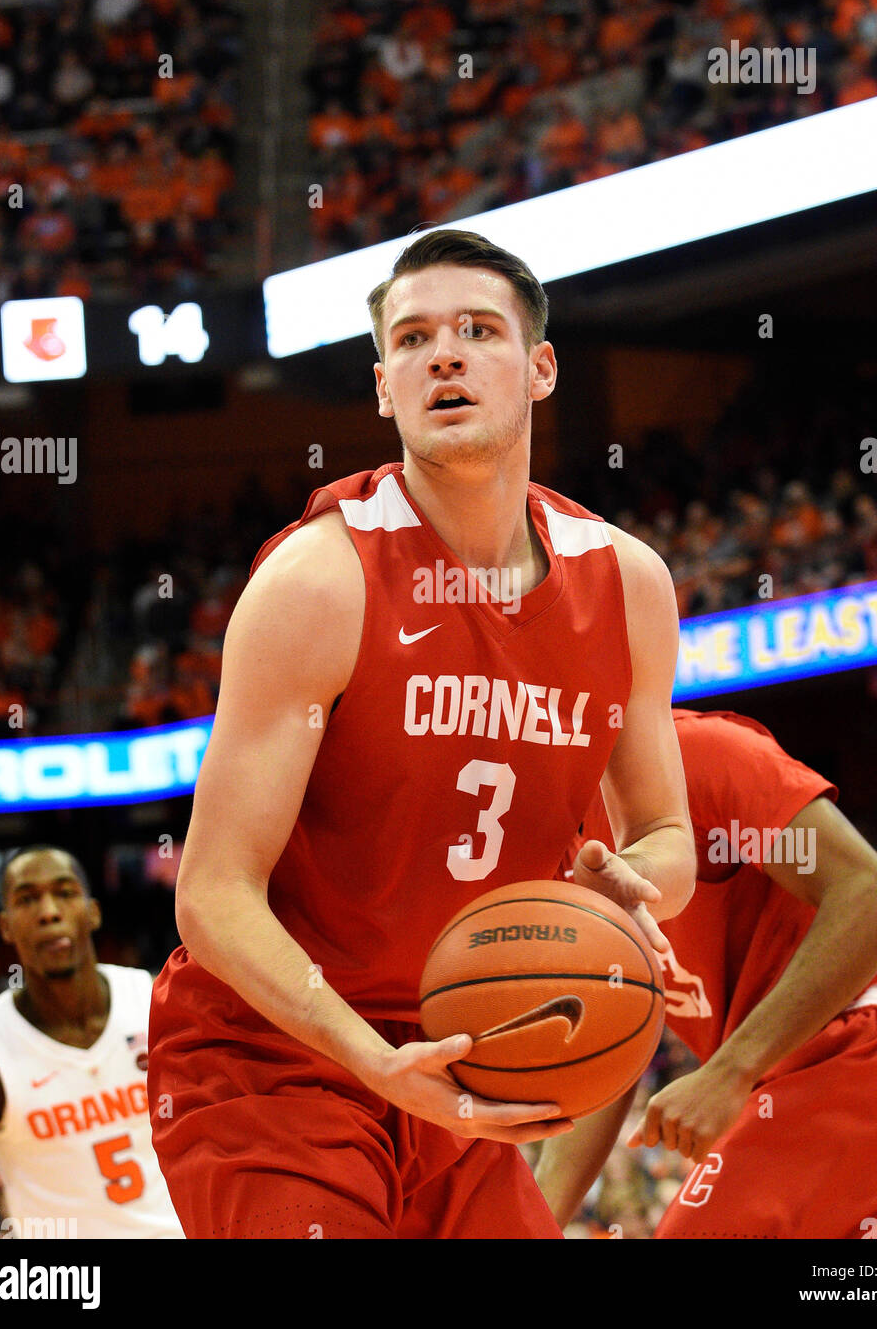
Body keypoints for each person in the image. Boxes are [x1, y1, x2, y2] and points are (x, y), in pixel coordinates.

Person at [148, 228, 696, 1239]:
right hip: (276, 1052)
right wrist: (370, 1061)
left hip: (455, 1045)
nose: (442, 353)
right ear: (383, 387)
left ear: (540, 368)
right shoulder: (320, 579)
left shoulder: (628, 582)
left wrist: (634, 884)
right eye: (412, 339)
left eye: (477, 330)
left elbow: (668, 839)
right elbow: (212, 893)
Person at [535, 708, 877, 1238]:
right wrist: (534, 1223)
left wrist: (728, 1071)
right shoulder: (558, 851)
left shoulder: (699, 752)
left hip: (847, 1073)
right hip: (817, 1104)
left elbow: (876, 899)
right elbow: (613, 1053)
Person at [0, 846, 183, 1238]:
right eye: (27, 899)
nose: (49, 912)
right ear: (5, 926)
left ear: (92, 912)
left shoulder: (157, 1002)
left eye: (65, 892)